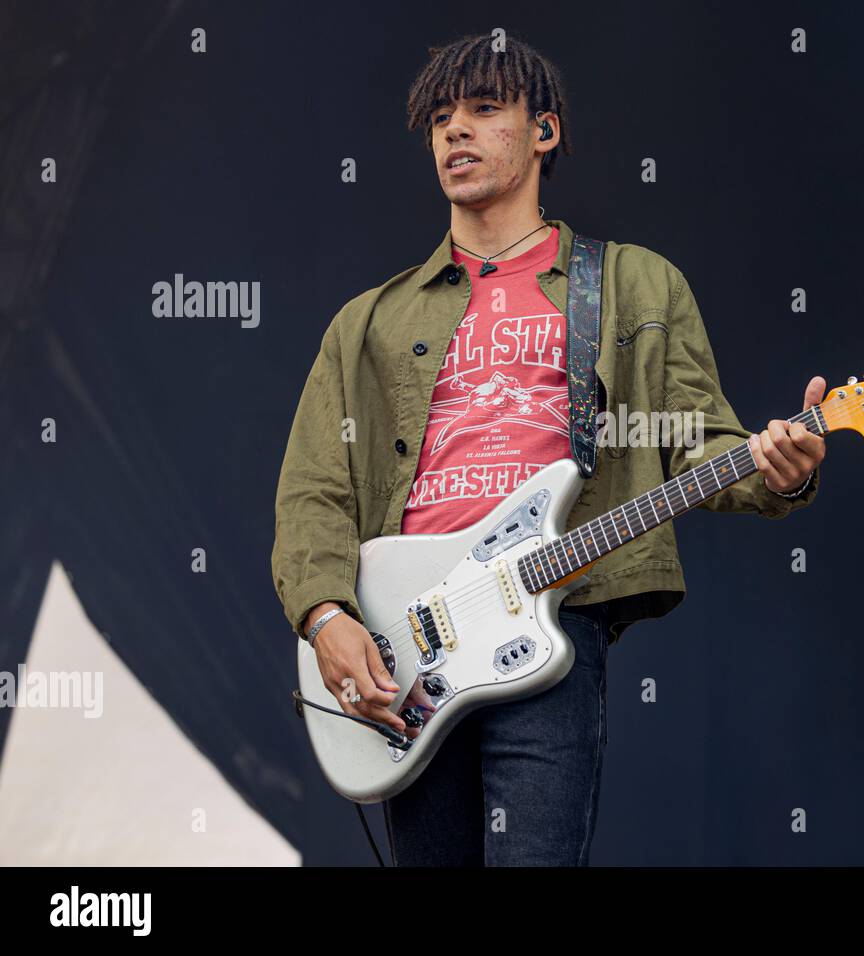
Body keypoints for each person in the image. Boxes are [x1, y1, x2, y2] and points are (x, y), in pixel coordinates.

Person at [271, 33, 825, 866]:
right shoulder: (370, 321)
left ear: (545, 132)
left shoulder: (634, 283)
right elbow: (314, 487)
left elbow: (694, 440)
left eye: (486, 110)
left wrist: (779, 467)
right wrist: (325, 618)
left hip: (546, 617)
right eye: (441, 118)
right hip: (406, 645)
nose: (455, 132)